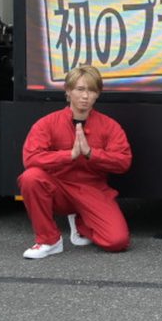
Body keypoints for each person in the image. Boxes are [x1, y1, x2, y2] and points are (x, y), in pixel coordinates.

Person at [17, 65, 131, 258]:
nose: (85, 96)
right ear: (68, 91)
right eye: (80, 89)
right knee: (30, 178)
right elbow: (30, 158)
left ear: (98, 94)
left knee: (117, 242)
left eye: (91, 90)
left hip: (93, 190)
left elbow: (123, 162)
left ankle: (82, 222)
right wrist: (69, 155)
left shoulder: (109, 126)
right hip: (59, 188)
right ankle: (49, 241)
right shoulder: (48, 123)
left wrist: (90, 153)